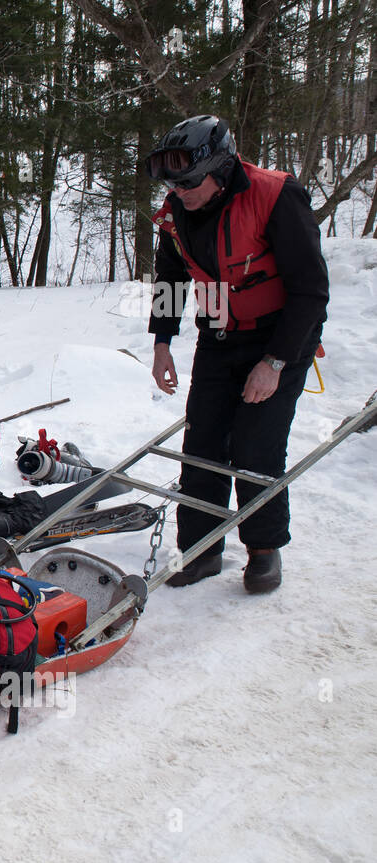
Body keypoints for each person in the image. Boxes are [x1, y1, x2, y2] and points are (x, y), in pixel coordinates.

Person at [145, 115, 328, 593]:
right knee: (203, 441)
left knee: (255, 445)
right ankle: (201, 550)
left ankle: (264, 551)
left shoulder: (275, 195)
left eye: (188, 182)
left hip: (280, 334)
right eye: (173, 183)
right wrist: (162, 342)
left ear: (220, 168)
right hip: (221, 332)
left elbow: (311, 290)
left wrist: (274, 364)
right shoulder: (177, 209)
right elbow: (170, 278)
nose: (179, 192)